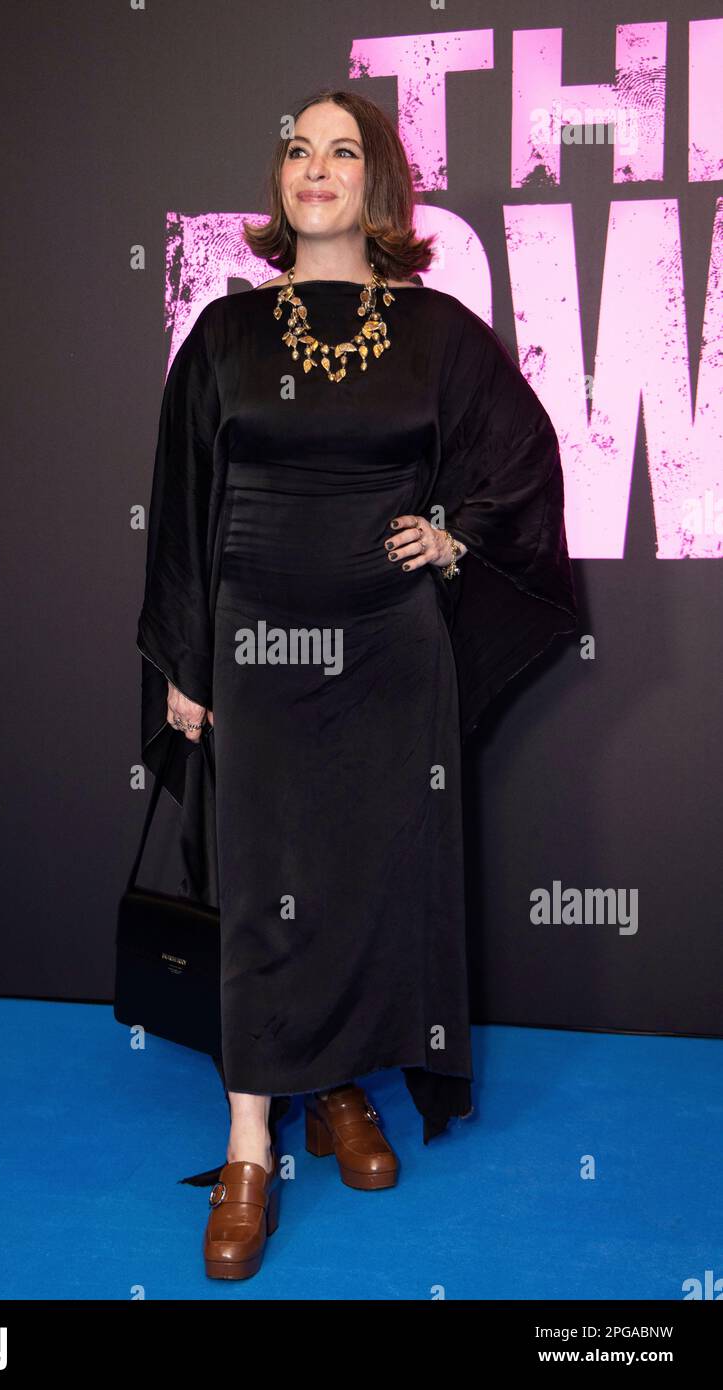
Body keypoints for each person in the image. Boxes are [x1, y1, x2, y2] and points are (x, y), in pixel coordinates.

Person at [134, 88, 577, 1280]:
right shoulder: (223, 338)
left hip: (390, 653)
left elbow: (522, 467)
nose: (315, 168)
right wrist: (183, 660)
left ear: (378, 186)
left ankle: (336, 1087)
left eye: (342, 151)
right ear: (279, 183)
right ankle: (248, 1147)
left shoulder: (435, 330)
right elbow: (180, 507)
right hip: (254, 649)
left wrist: (454, 536)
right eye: (296, 150)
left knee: (371, 879)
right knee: (264, 881)